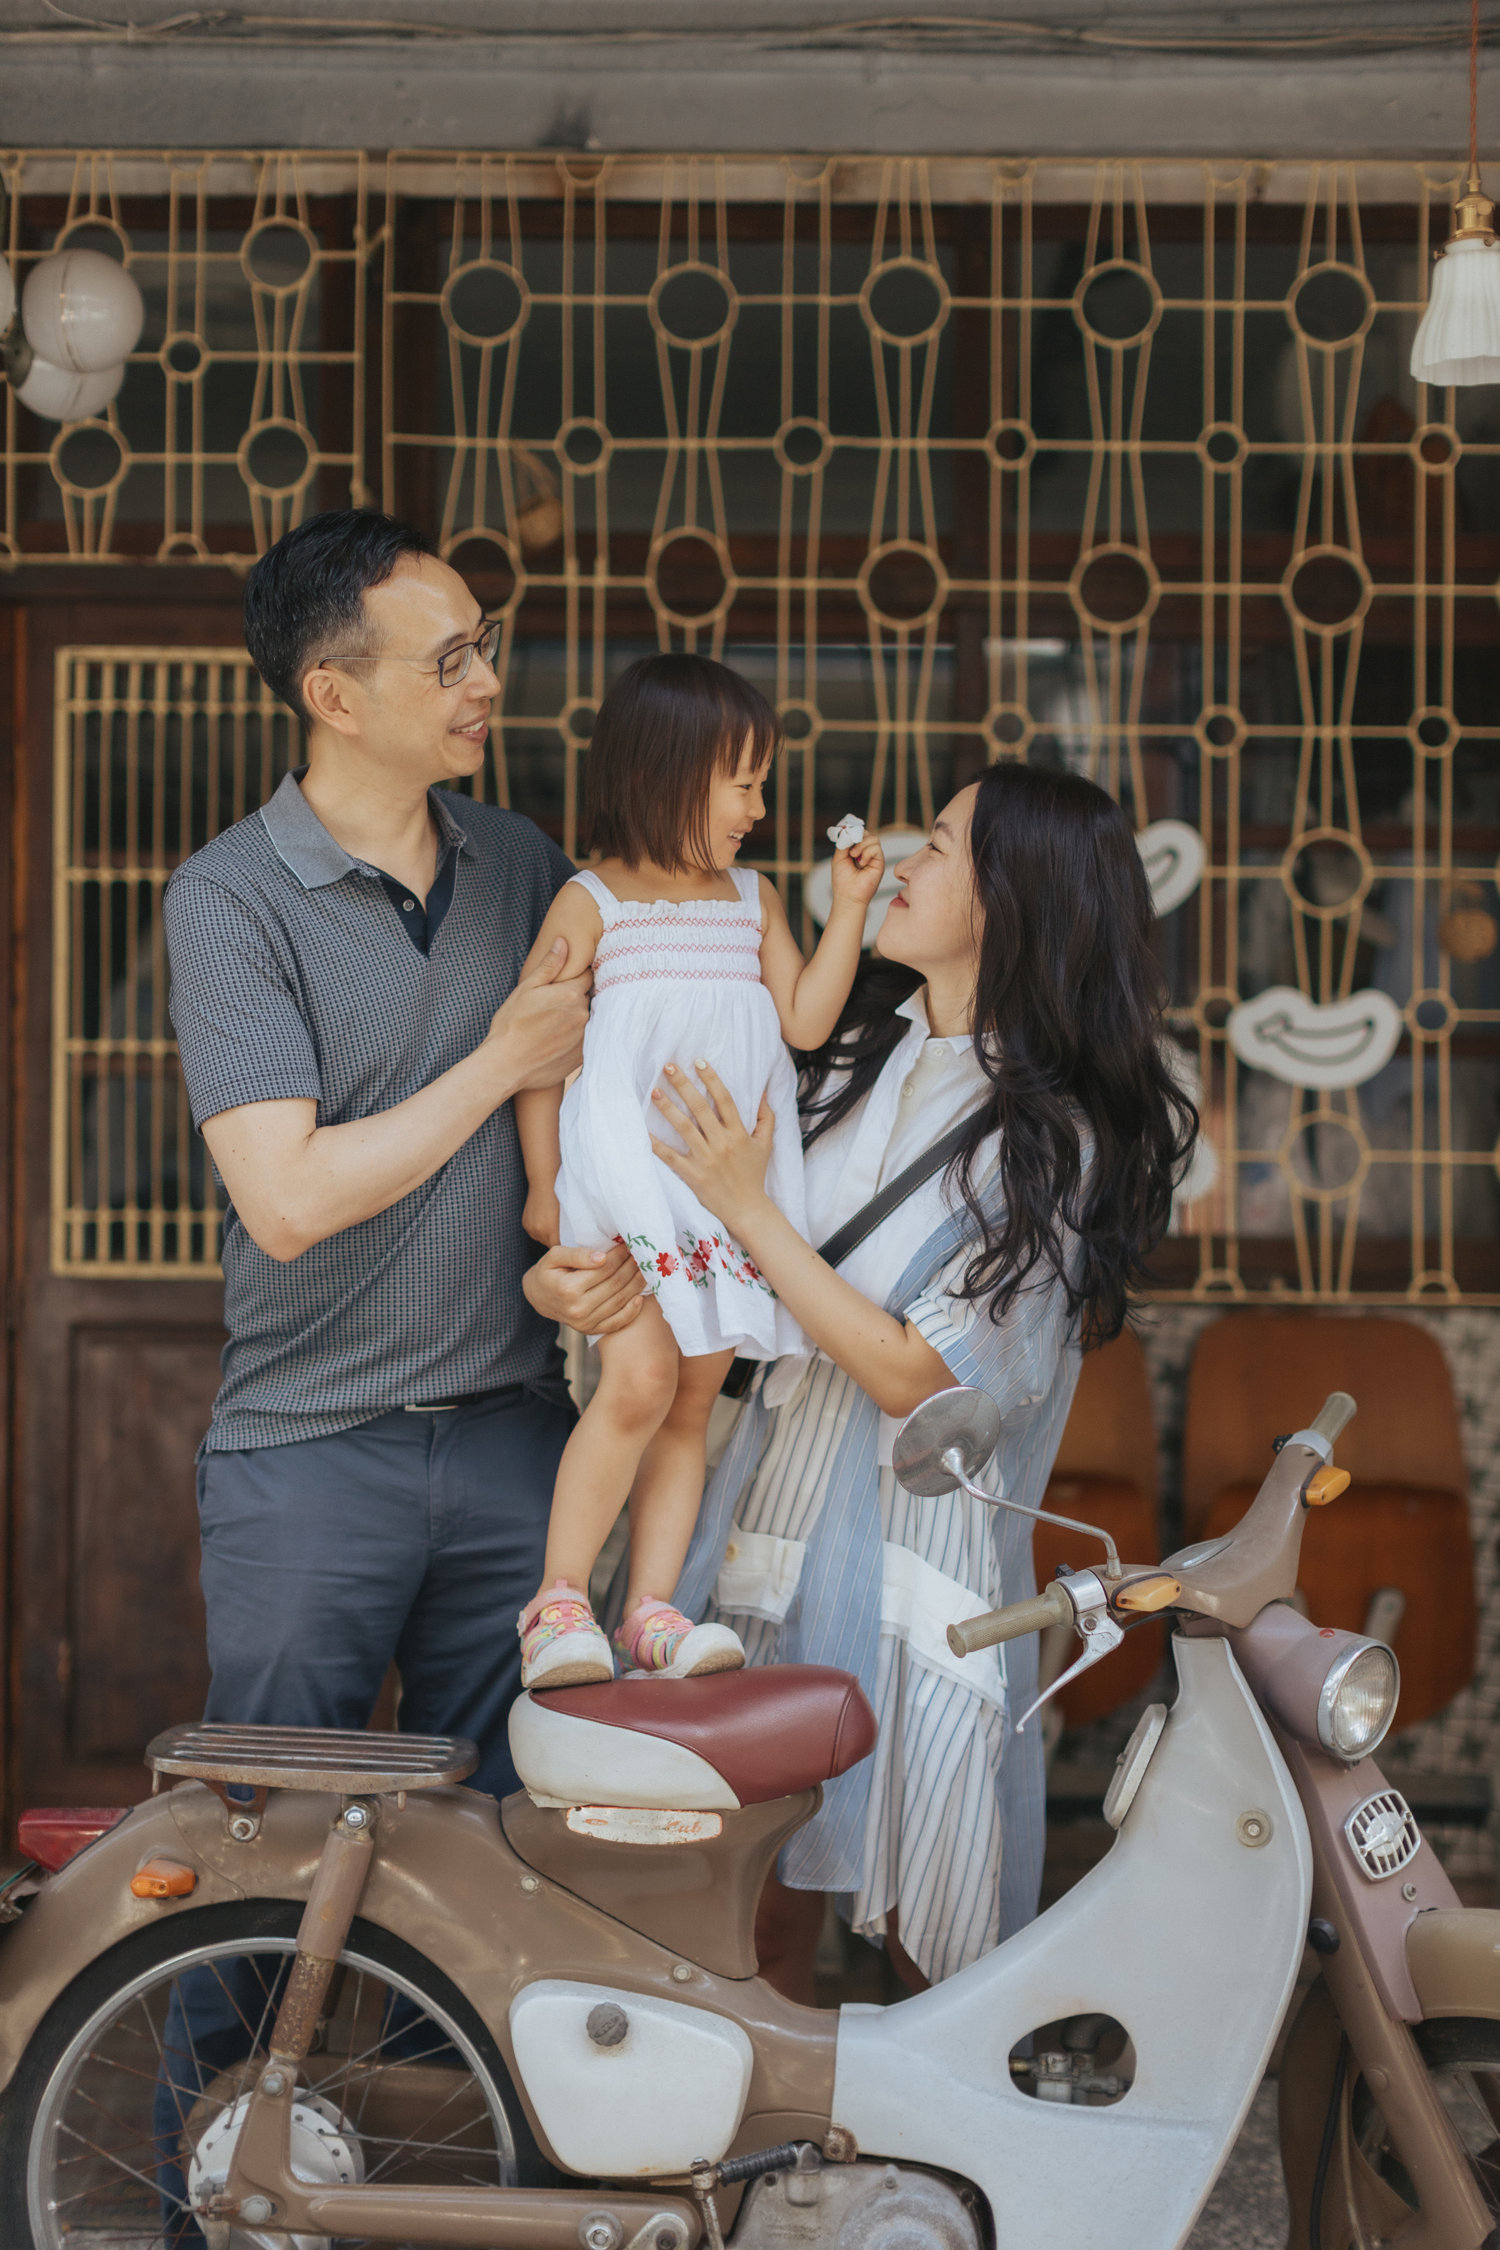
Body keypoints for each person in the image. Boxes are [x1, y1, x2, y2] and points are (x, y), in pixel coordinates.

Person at [652, 761, 1197, 1992]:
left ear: (1014, 899)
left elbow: (926, 1374)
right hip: (768, 1538)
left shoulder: (1056, 1140)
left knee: (936, 1952)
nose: (904, 862)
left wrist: (746, 1206)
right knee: (753, 1923)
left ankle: (929, 2133)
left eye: (941, 846)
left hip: (922, 1582)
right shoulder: (855, 1049)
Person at [162, 508, 646, 1805]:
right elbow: (286, 1199)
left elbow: (614, 1093)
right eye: (448, 661)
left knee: (505, 1844)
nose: (486, 682)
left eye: (483, 645)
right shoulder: (229, 897)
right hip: (308, 1451)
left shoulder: (523, 863)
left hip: (517, 1440)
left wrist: (594, 1242)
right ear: (334, 694)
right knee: (273, 1834)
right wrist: (499, 1058)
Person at [512, 654, 885, 1688]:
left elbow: (804, 1020)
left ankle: (652, 1612)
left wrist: (849, 909)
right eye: (744, 783)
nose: (759, 809)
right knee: (638, 1381)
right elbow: (534, 1058)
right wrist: (543, 1187)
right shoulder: (590, 903)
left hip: (725, 1199)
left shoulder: (753, 899)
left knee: (692, 1400)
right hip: (629, 1192)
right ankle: (557, 1602)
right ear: (666, 775)